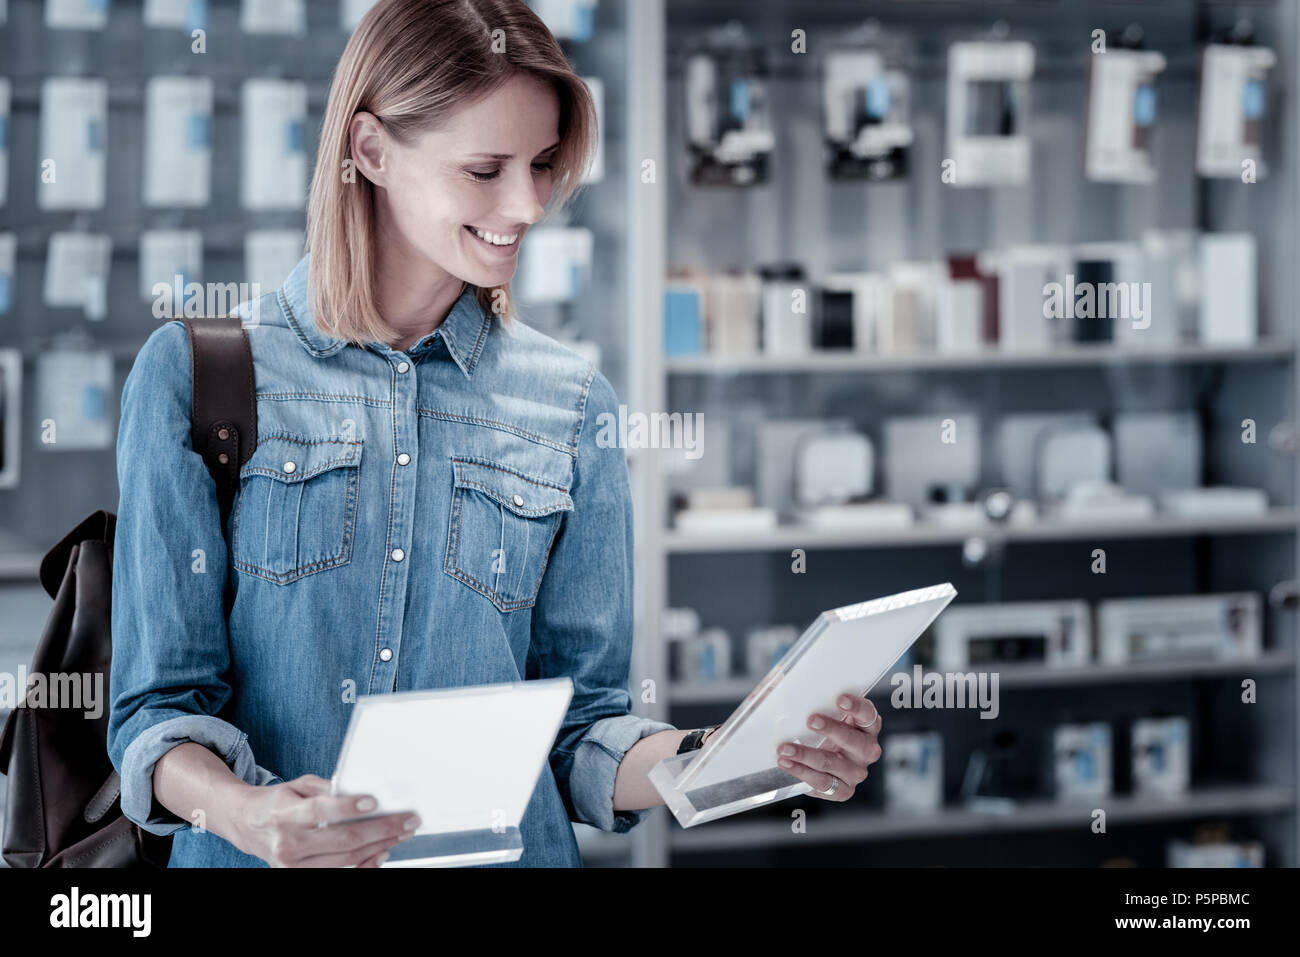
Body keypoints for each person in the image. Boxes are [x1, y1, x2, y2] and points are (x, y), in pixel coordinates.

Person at [107, 0, 882, 868]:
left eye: (543, 164)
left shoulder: (574, 401)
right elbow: (156, 710)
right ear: (370, 151)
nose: (529, 204)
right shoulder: (199, 375)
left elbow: (581, 728)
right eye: (485, 170)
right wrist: (248, 815)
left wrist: (738, 754)